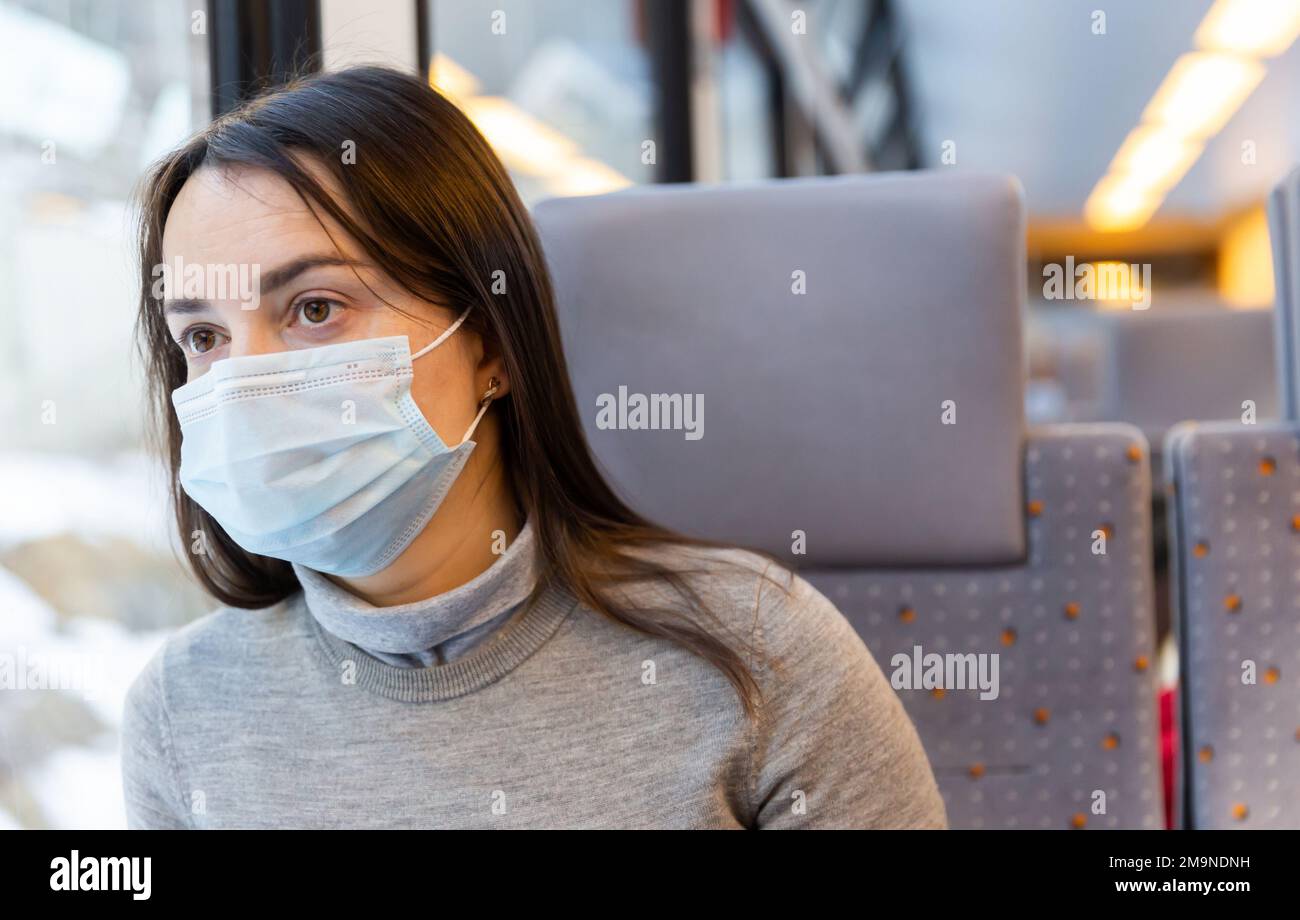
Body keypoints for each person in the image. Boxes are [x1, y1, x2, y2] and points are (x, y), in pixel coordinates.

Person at [120, 65, 946, 829]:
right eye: (203, 334)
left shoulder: (761, 652)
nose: (246, 382)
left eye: (315, 308)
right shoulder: (181, 712)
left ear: (489, 344)